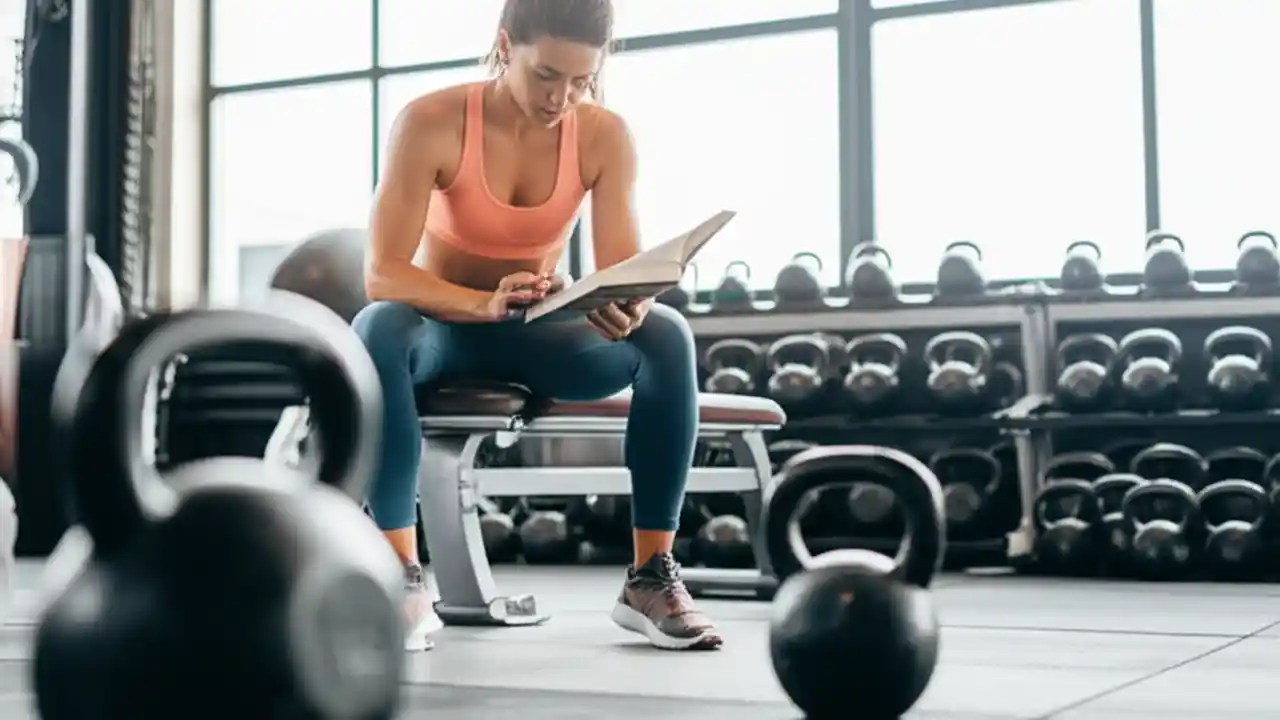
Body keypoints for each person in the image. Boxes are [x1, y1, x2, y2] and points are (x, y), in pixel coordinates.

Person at [355, 0, 722, 653]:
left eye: (583, 81)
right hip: (444, 330)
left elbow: (620, 270)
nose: (564, 97)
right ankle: (398, 575)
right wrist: (481, 303)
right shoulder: (432, 121)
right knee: (378, 323)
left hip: (540, 333)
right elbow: (384, 274)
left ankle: (649, 577)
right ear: (505, 46)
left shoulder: (604, 134)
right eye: (547, 75)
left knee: (665, 334)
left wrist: (624, 306)